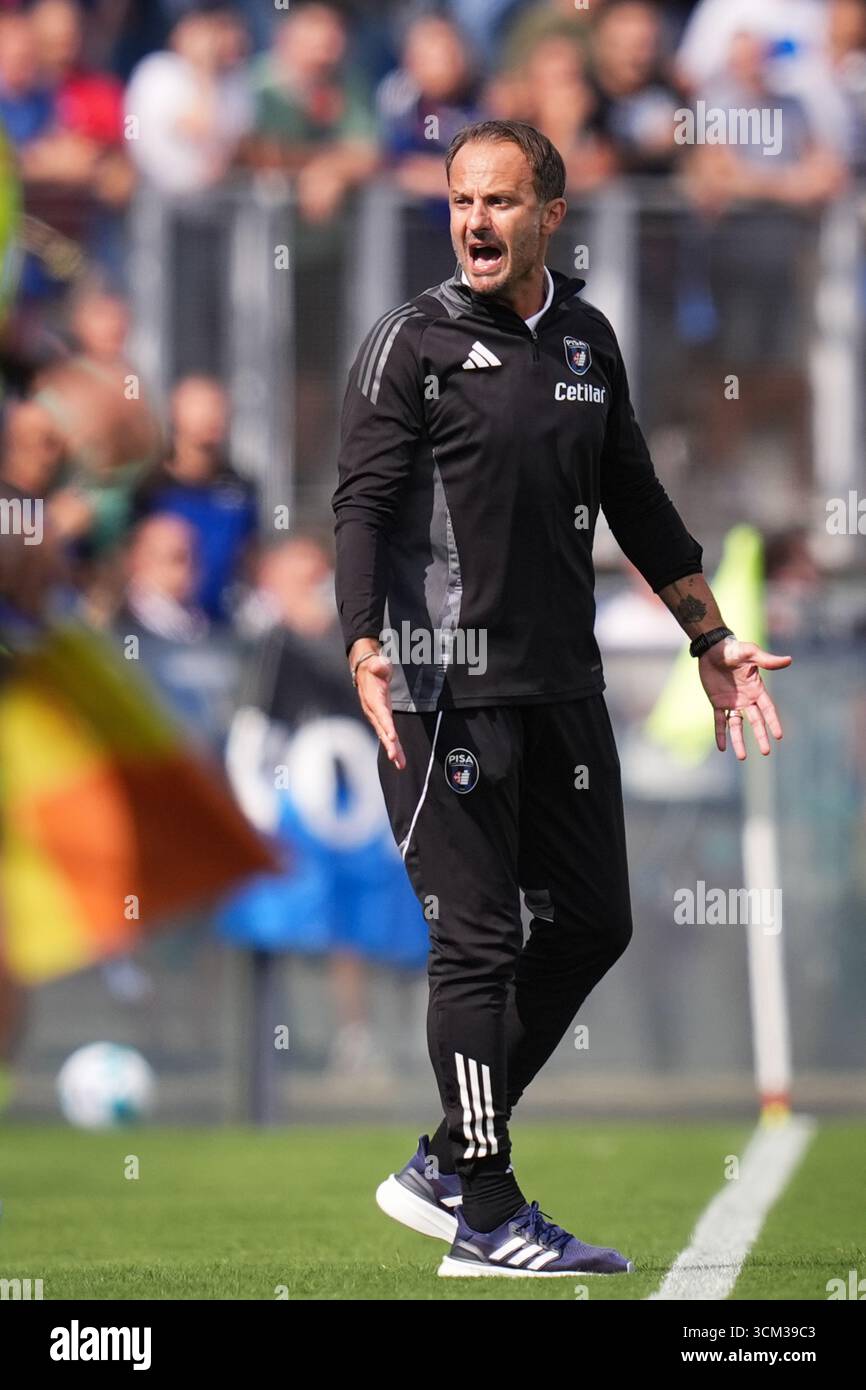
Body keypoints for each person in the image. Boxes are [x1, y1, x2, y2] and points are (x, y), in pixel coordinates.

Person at [332, 118, 792, 1278]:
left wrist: (709, 634)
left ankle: (448, 1159)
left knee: (593, 921)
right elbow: (359, 504)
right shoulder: (412, 340)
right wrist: (361, 642)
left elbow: (633, 495)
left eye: (498, 202)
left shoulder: (586, 338)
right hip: (442, 690)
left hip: (562, 687)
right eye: (458, 203)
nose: (475, 222)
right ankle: (484, 1206)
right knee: (476, 945)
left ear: (550, 213)